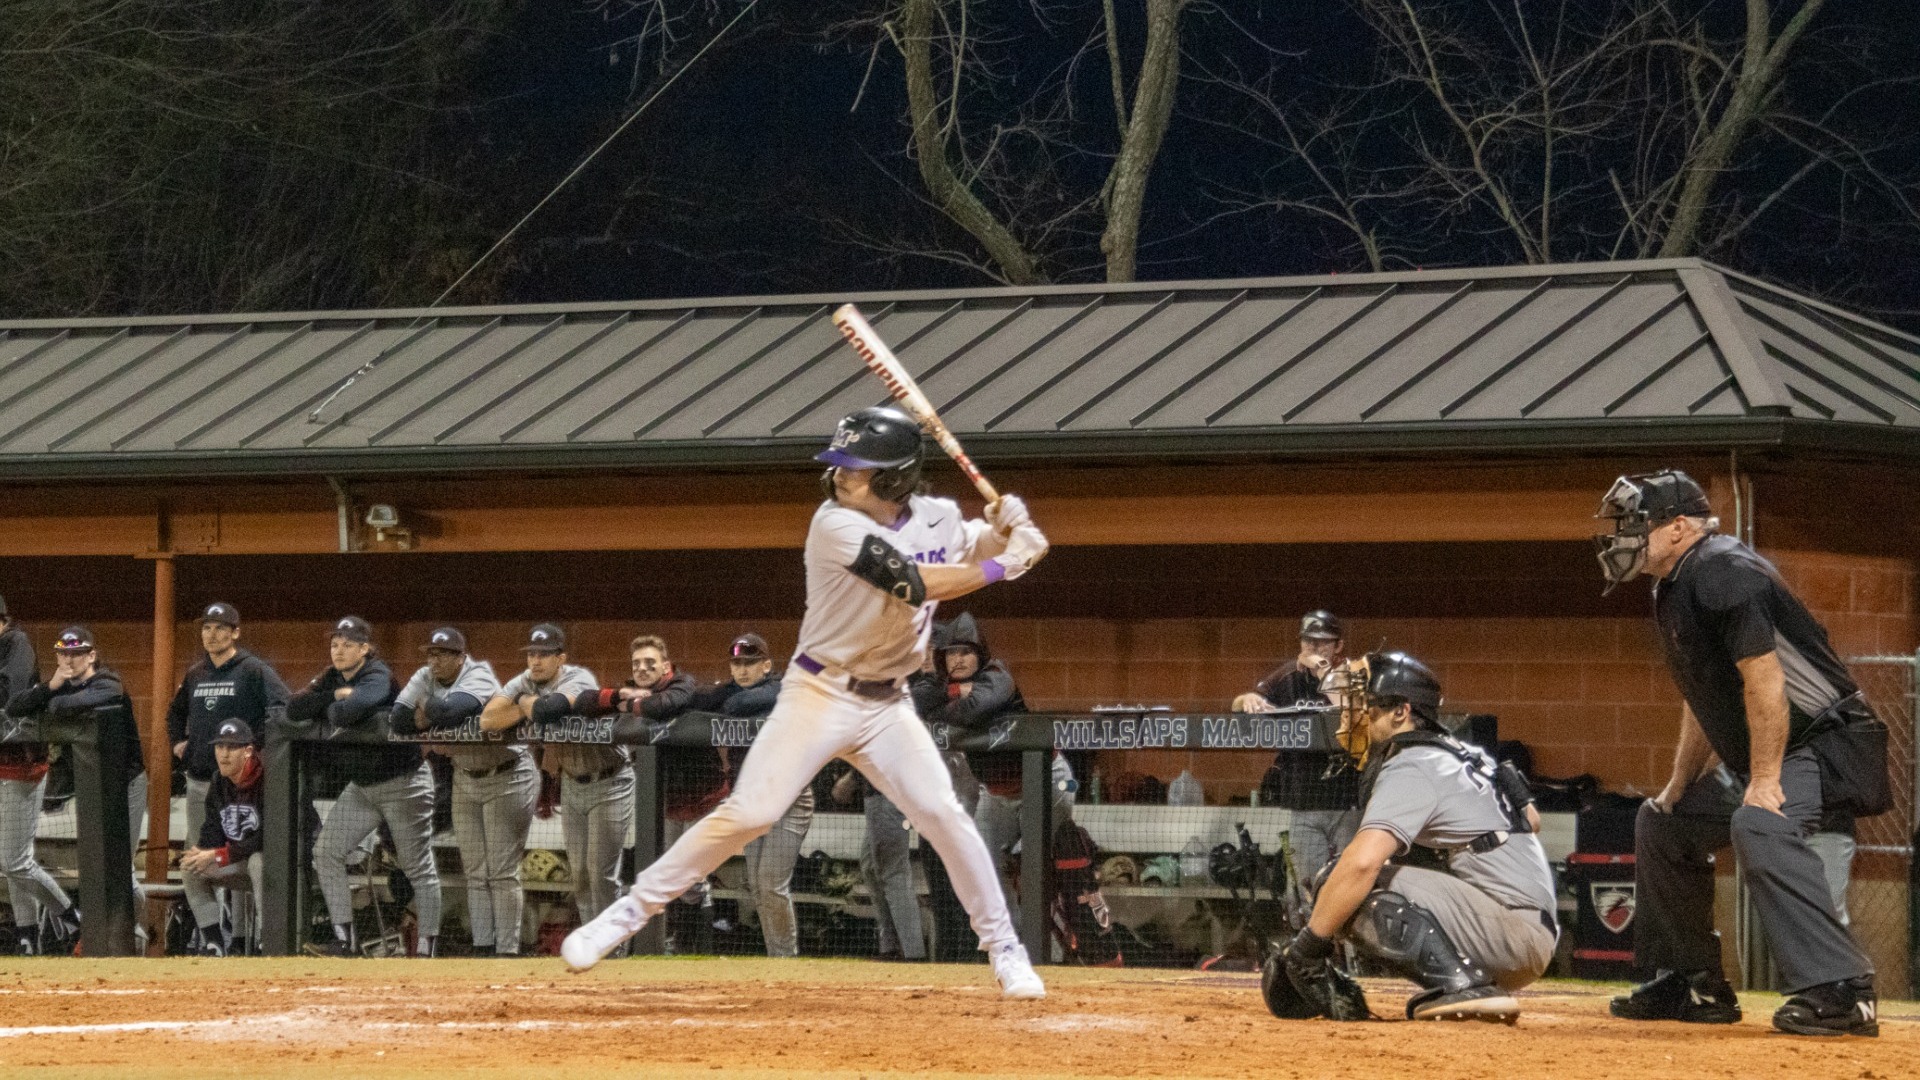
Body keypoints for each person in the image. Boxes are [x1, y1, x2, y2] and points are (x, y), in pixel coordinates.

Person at [564, 405, 1052, 999]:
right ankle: (622, 919)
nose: (839, 475)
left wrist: (1007, 525)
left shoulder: (939, 517)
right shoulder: (834, 524)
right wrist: (1010, 559)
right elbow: (917, 584)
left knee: (944, 815)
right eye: (840, 465)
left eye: (855, 467)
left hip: (888, 705)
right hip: (818, 693)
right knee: (749, 812)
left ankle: (1006, 952)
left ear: (895, 477)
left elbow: (971, 548)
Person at [1594, 470, 1880, 1037]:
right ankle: (1692, 981)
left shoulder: (1722, 569)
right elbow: (1702, 694)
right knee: (1661, 823)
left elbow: (1765, 680)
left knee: (1758, 821)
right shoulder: (1675, 583)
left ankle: (1844, 992)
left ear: (1678, 527)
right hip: (1775, 747)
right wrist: (1678, 785)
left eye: (1636, 524)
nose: (1624, 535)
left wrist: (1766, 780)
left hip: (1822, 743)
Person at [1268, 651, 1555, 1025]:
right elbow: (1531, 819)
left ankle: (1462, 986)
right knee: (1375, 870)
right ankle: (1470, 982)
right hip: (1520, 928)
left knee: (1342, 879)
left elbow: (1361, 864)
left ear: (1401, 712)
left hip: (1511, 933)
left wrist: (1306, 950)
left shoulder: (1414, 762)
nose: (1351, 715)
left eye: (1365, 705)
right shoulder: (1461, 754)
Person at [296, 616, 440, 958]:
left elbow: (356, 708)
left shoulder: (378, 674)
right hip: (363, 788)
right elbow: (295, 706)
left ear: (365, 648)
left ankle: (426, 948)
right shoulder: (332, 677)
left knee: (416, 866)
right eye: (335, 644)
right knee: (326, 851)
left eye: (348, 644)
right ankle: (344, 940)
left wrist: (340, 703)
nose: (339, 650)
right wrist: (336, 695)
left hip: (403, 783)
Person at [387, 627, 527, 956]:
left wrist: (427, 713)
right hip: (466, 775)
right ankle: (482, 947)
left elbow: (448, 712)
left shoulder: (478, 675)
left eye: (442, 654)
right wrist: (428, 714)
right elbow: (397, 719)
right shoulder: (424, 675)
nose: (433, 661)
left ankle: (506, 951)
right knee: (475, 870)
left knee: (502, 872)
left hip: (507, 773)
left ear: (460, 658)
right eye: (430, 654)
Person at [924, 613, 1071, 915]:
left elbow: (976, 708)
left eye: (966, 651)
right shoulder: (944, 685)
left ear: (979, 654)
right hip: (996, 793)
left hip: (1045, 782)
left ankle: (1051, 955)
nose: (959, 659)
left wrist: (948, 698)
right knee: (981, 869)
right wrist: (954, 691)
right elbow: (917, 701)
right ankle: (1010, 942)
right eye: (952, 652)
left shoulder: (998, 674)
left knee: (1034, 866)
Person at [6, 627, 146, 946]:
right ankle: (112, 934)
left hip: (126, 783)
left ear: (91, 655)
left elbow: (94, 698)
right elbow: (15, 707)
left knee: (120, 867)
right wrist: (50, 686)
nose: (70, 659)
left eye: (77, 652)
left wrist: (54, 702)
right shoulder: (59, 685)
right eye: (64, 653)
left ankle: (136, 929)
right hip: (92, 787)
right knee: (97, 866)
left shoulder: (108, 680)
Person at [686, 633, 812, 958]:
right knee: (757, 886)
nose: (742, 670)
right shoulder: (732, 690)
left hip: (790, 799)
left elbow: (739, 702)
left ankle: (786, 963)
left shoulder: (782, 687)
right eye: (737, 663)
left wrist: (727, 700)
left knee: (771, 883)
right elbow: (700, 699)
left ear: (767, 664)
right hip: (754, 800)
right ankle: (777, 958)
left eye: (750, 663)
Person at [483, 624, 617, 926]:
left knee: (601, 874)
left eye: (544, 654)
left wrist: (524, 702)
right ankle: (591, 940)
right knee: (580, 874)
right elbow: (488, 720)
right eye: (531, 653)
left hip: (609, 778)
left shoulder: (577, 678)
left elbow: (548, 710)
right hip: (572, 781)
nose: (535, 661)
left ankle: (615, 948)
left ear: (561, 658)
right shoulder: (526, 680)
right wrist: (524, 706)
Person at [1235, 611, 1364, 896]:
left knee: (1348, 887)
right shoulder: (1287, 675)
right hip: (1303, 801)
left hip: (1346, 801)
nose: (1314, 649)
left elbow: (1352, 710)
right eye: (1309, 642)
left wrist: (1324, 674)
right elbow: (1239, 702)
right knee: (1309, 886)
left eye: (1323, 643)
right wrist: (1249, 699)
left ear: (1338, 645)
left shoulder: (1352, 673)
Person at [164, 603, 290, 853]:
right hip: (201, 777)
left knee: (241, 850)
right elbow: (175, 713)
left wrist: (255, 745)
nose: (211, 634)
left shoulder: (253, 669)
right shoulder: (195, 673)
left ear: (235, 633)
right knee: (199, 850)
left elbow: (282, 706)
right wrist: (179, 742)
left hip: (239, 782)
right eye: (206, 628)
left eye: (220, 628)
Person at [0, 601, 78, 955]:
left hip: (21, 763)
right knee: (12, 860)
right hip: (6, 761)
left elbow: (11, 694)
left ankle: (72, 916)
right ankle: (28, 935)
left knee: (14, 861)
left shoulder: (16, 643)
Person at [178, 719, 281, 956]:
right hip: (241, 862)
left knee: (258, 860)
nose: (223, 755)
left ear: (248, 751)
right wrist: (202, 852)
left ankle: (269, 941)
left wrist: (222, 855)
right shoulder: (219, 782)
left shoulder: (270, 778)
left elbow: (270, 836)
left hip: (281, 867)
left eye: (231, 748)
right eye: (219, 747)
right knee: (190, 867)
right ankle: (214, 944)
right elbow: (212, 827)